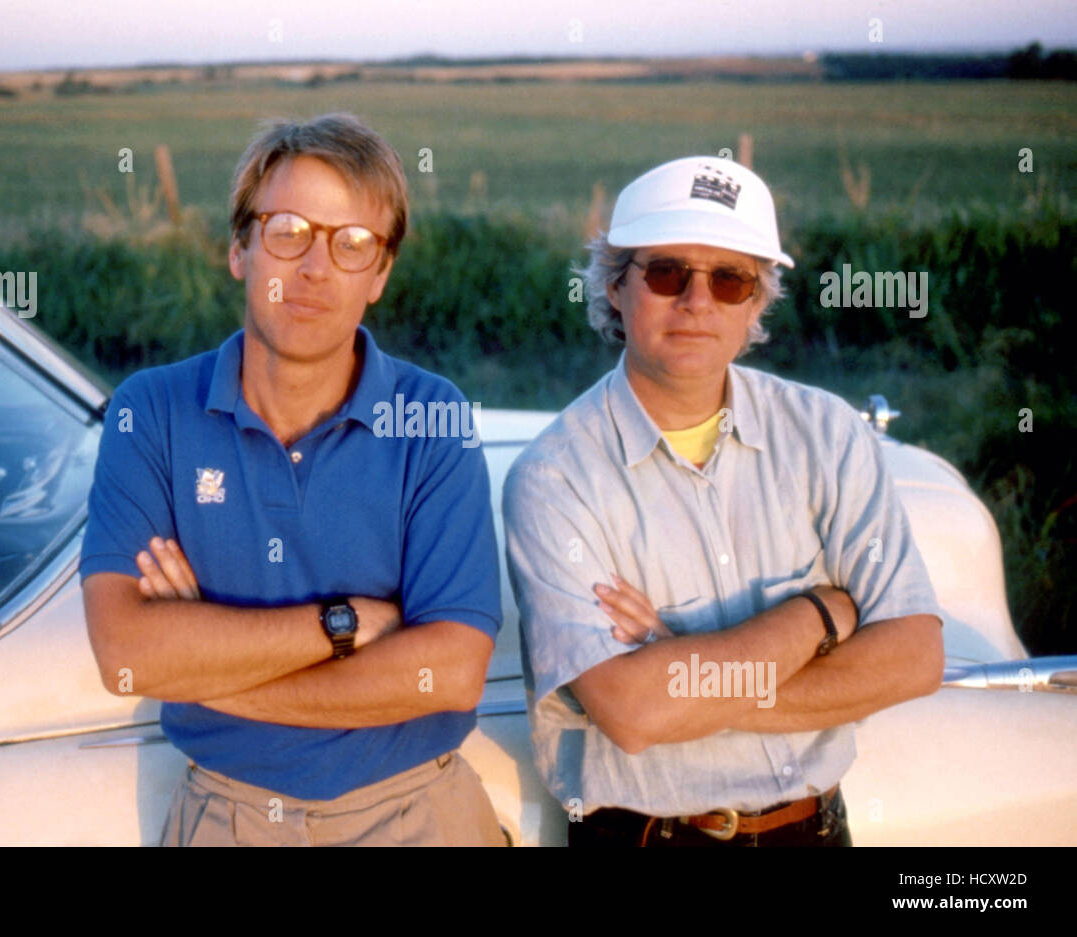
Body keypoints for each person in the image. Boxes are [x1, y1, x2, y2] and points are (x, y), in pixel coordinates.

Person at [80, 113, 506, 846]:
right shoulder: (150, 412)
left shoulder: (434, 417)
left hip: (418, 814)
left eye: (352, 244)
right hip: (226, 817)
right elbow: (126, 656)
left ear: (380, 275)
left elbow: (452, 669)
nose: (315, 269)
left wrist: (205, 671)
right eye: (288, 231)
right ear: (239, 249)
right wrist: (342, 624)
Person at [503, 156, 944, 846]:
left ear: (757, 302)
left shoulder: (827, 435)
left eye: (730, 279)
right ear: (616, 287)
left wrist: (690, 666)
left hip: (814, 831)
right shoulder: (553, 478)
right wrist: (818, 614)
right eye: (667, 272)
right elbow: (633, 709)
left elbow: (915, 656)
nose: (697, 301)